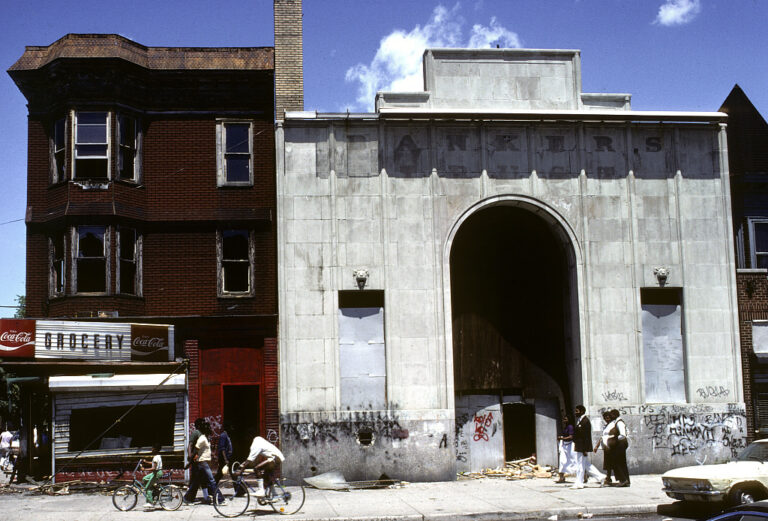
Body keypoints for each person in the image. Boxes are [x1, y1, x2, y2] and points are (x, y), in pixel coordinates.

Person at [184, 420, 221, 504]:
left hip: (198, 458)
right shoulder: (197, 433)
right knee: (200, 480)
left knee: (200, 480)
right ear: (199, 425)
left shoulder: (203, 435)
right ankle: (190, 497)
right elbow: (190, 445)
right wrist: (190, 457)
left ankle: (193, 497)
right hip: (197, 458)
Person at [572, 405, 605, 489]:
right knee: (585, 464)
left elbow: (586, 437)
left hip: (582, 447)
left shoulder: (585, 421)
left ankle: (579, 483)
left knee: (580, 465)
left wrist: (585, 449)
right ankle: (600, 477)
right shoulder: (580, 420)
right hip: (579, 446)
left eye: (577, 411)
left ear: (582, 411)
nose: (575, 413)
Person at [608, 409, 630, 487]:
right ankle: (626, 480)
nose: (610, 416)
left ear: (615, 415)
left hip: (620, 444)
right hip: (620, 443)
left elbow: (622, 435)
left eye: (611, 415)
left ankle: (623, 480)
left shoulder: (619, 422)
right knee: (622, 462)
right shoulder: (617, 422)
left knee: (617, 462)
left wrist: (614, 439)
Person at [594, 411, 616, 486]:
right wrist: (597, 446)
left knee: (612, 462)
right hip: (605, 446)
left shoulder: (613, 425)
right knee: (607, 462)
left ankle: (614, 477)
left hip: (611, 445)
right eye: (605, 417)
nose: (607, 419)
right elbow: (602, 437)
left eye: (608, 417)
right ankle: (608, 477)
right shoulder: (605, 426)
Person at [141, 442, 163, 509]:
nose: (152, 449)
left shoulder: (156, 457)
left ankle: (150, 502)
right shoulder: (158, 456)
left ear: (155, 449)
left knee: (147, 487)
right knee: (144, 479)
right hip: (156, 472)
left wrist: (144, 469)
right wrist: (146, 462)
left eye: (153, 448)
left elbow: (154, 468)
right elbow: (153, 463)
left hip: (156, 473)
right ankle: (153, 490)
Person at [555, 415, 576, 483]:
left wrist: (562, 438)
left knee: (574, 461)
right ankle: (561, 477)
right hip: (564, 445)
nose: (564, 420)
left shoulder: (570, 427)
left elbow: (571, 437)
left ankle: (584, 476)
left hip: (570, 446)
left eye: (565, 419)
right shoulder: (565, 427)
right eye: (564, 419)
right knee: (562, 461)